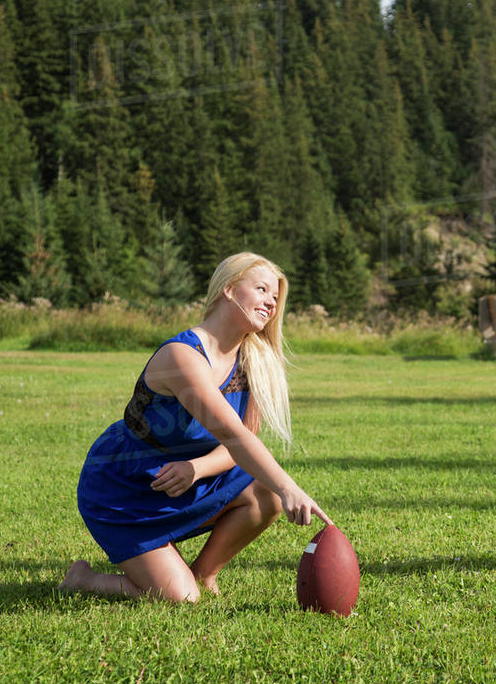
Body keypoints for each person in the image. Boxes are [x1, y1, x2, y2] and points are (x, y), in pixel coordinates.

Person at [61, 252, 330, 601]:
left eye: (275, 297)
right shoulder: (182, 357)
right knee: (179, 599)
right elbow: (232, 436)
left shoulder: (255, 362)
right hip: (124, 487)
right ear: (230, 290)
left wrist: (196, 468)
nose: (270, 302)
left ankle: (203, 575)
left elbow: (242, 442)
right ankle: (84, 579)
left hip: (182, 479)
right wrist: (290, 487)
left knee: (264, 494)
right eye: (262, 289)